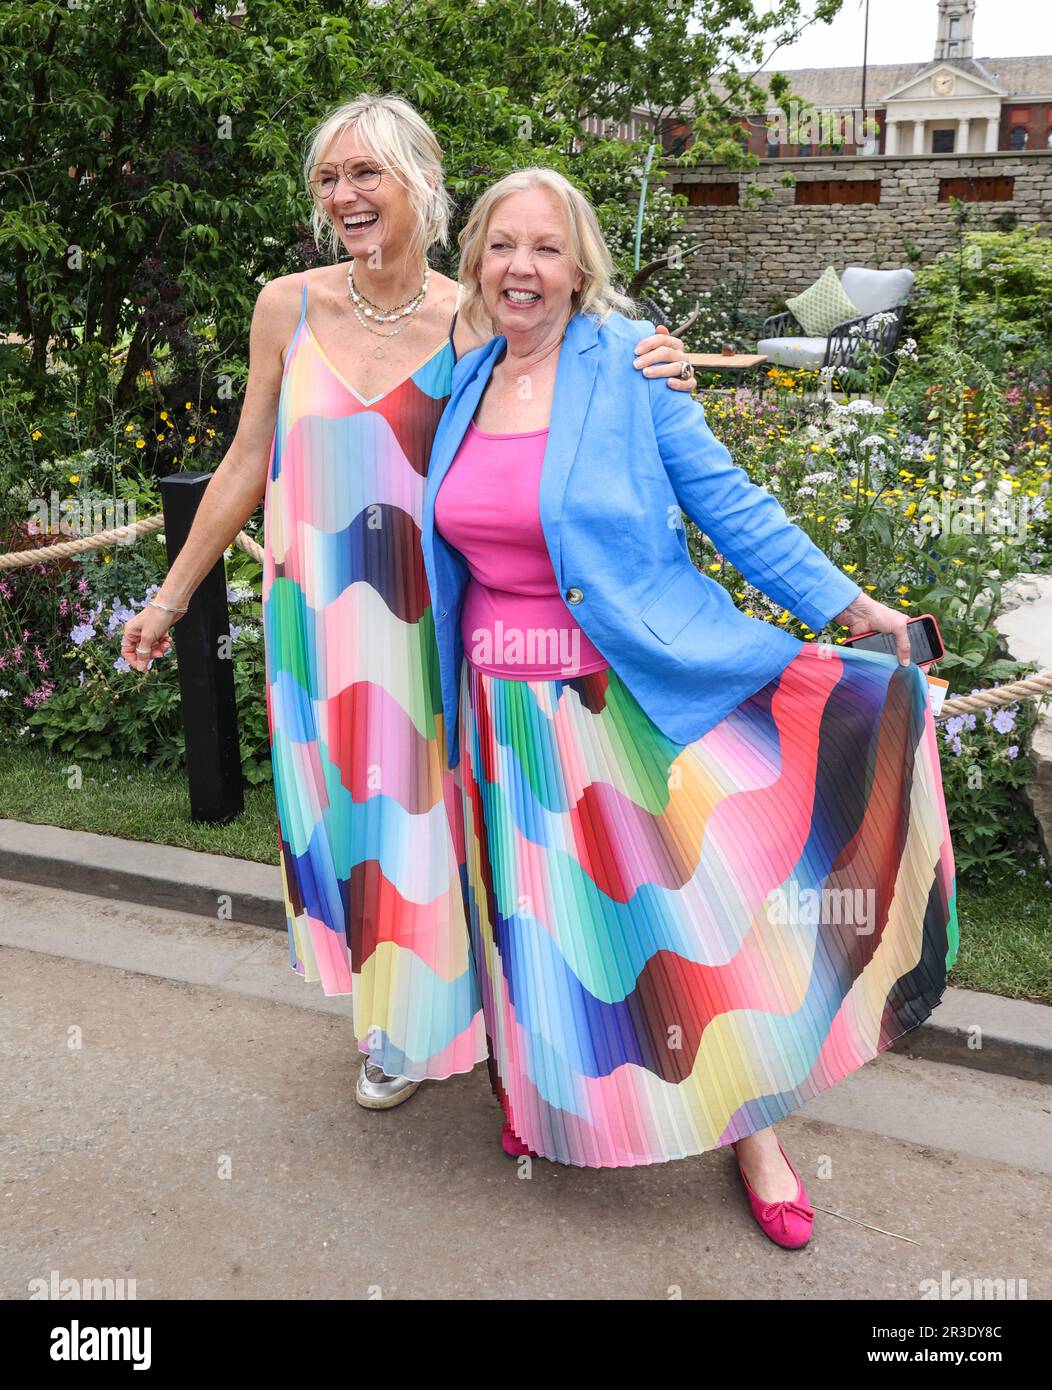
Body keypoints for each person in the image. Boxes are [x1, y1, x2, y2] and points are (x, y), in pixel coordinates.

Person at [119, 94, 697, 1112]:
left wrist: (662, 361)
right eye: (328, 178)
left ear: (422, 183)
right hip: (311, 629)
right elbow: (246, 461)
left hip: (431, 627)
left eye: (365, 174)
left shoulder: (473, 315)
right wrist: (169, 600)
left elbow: (580, 365)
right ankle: (396, 1023)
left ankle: (488, 1021)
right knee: (352, 827)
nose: (343, 195)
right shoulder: (285, 307)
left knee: (443, 830)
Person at [421, 166, 958, 1250]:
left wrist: (848, 607)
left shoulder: (627, 363)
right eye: (501, 245)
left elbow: (728, 503)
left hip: (614, 698)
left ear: (580, 269)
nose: (521, 267)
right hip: (497, 715)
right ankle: (544, 1095)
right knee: (533, 927)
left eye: (546, 248)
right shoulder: (461, 374)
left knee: (696, 927)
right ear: (476, 259)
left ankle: (753, 1135)